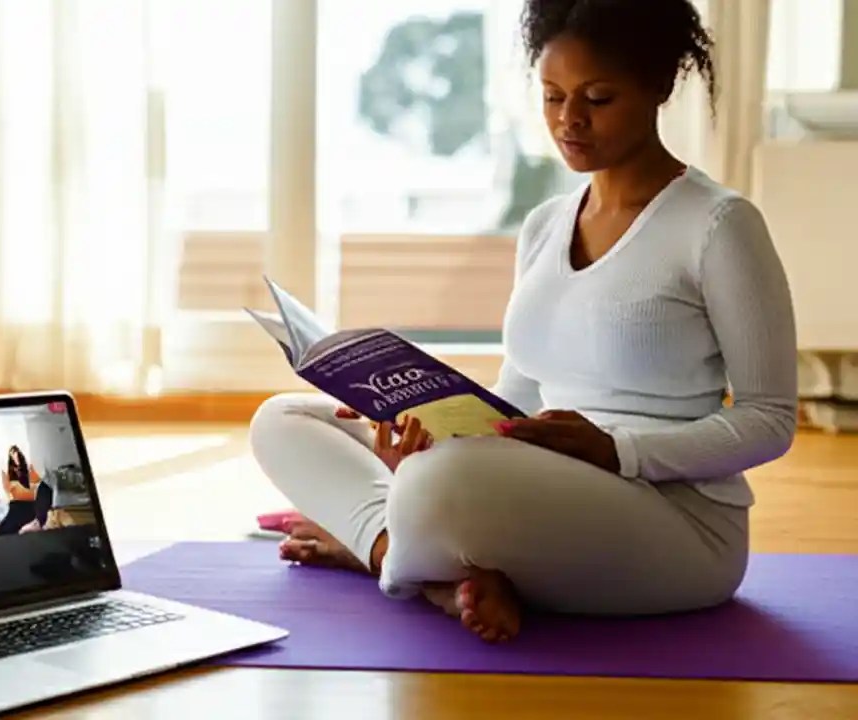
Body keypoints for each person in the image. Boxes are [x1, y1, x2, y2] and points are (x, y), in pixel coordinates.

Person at [250, 0, 797, 644]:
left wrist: (619, 449)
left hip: (678, 520)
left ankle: (382, 550)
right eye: (552, 96)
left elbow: (769, 419)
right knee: (284, 419)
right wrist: (430, 430)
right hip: (542, 486)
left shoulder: (719, 226)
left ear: (658, 86)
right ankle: (414, 557)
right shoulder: (543, 227)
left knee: (441, 482)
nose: (570, 120)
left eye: (597, 97)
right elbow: (519, 398)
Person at [0, 445, 45, 536]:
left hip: (30, 506)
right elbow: (7, 490)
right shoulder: (8, 473)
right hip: (16, 506)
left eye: (16, 453)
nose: (15, 456)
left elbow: (38, 484)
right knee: (1, 532)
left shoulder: (29, 469)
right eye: (12, 454)